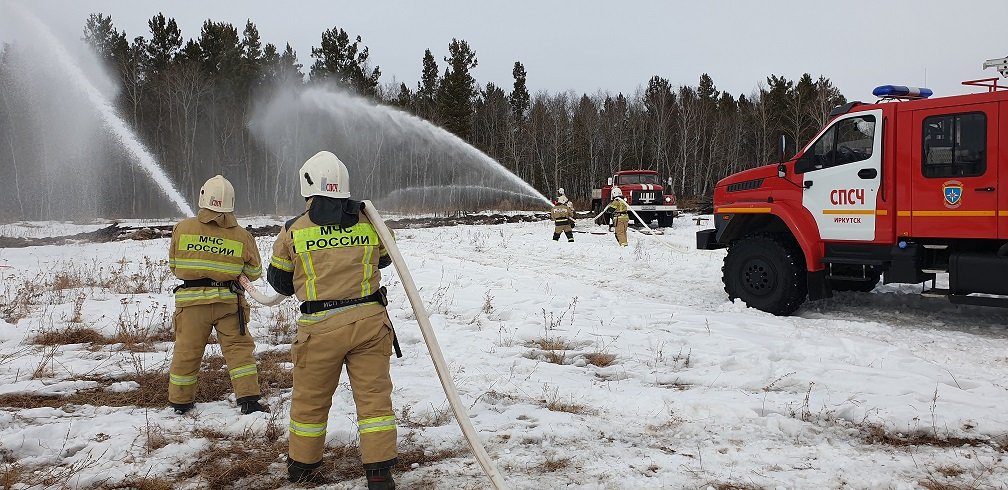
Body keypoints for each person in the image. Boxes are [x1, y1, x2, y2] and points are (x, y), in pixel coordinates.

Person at [268, 150, 399, 488]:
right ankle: (380, 473)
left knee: (310, 400)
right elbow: (385, 260)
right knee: (374, 398)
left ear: (307, 186)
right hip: (370, 323)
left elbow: (279, 282)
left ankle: (303, 467)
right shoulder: (371, 222)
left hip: (320, 329)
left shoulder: (293, 231)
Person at [167, 175, 267, 416]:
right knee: (239, 351)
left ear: (203, 197)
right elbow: (254, 272)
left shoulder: (183, 227)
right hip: (228, 304)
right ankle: (249, 400)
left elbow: (174, 265)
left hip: (192, 305)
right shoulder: (242, 236)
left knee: (187, 352)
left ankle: (180, 403)